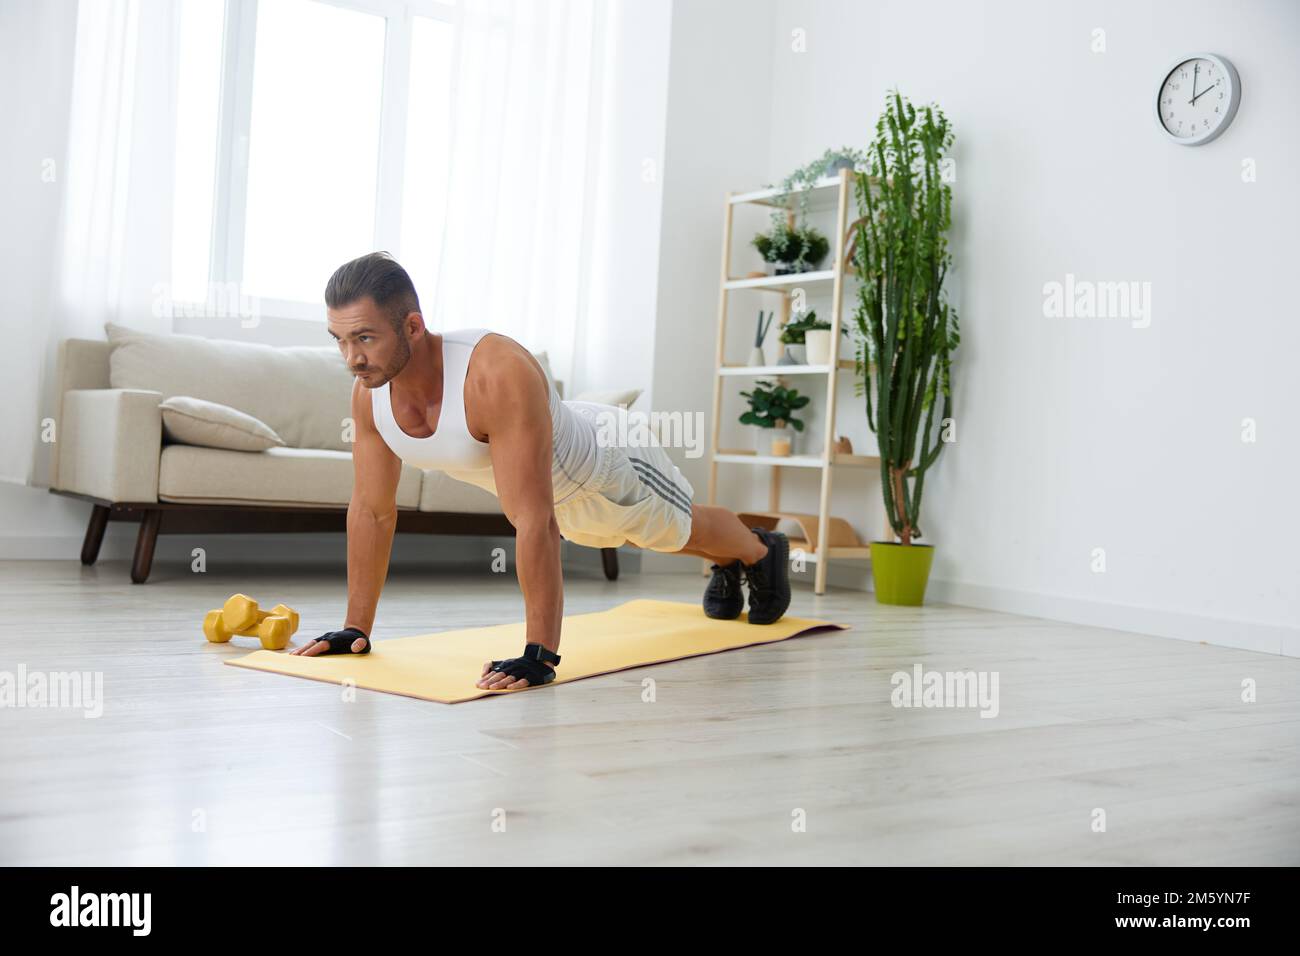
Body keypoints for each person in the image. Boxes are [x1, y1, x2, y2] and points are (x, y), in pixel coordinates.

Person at [289, 253, 790, 689]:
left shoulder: (493, 370)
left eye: (365, 338)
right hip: (559, 495)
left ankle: (759, 550)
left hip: (610, 462)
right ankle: (729, 563)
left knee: (678, 530)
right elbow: (373, 512)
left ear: (413, 327)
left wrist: (539, 654)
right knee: (643, 538)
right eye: (340, 340)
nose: (352, 358)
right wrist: (356, 628)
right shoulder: (369, 393)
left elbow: (531, 520)